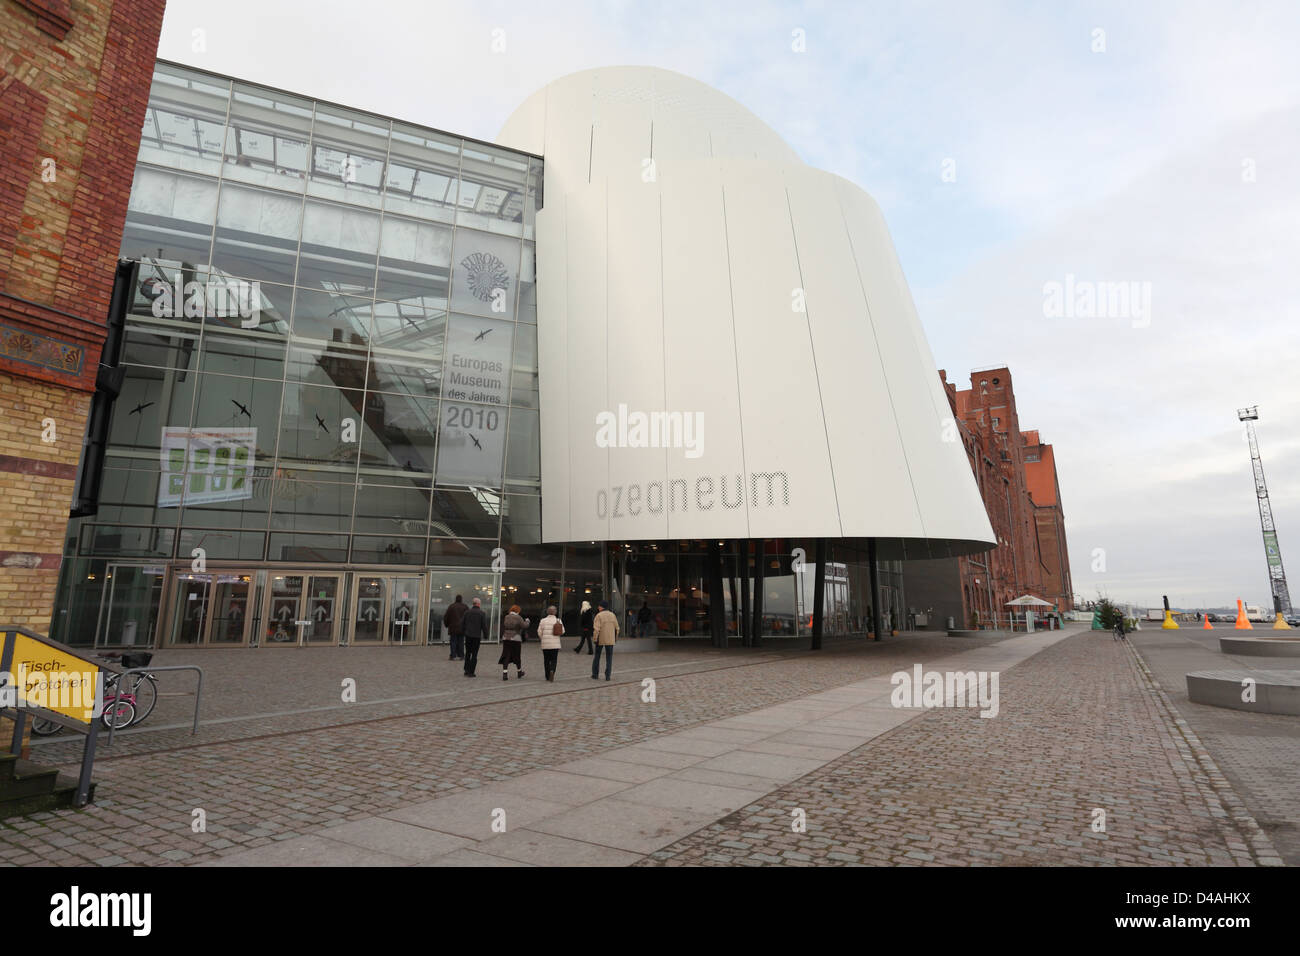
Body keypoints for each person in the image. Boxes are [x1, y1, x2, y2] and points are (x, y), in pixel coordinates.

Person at [591, 599, 619, 681]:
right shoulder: (612, 615)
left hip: (600, 639)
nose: (598, 607)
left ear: (601, 607)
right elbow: (617, 628)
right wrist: (615, 639)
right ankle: (608, 676)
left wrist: (595, 639)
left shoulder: (599, 615)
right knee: (609, 658)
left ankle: (595, 674)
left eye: (599, 606)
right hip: (610, 640)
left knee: (597, 656)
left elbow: (596, 629)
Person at [499, 604, 528, 680]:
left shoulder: (506, 617)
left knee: (506, 655)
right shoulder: (518, 617)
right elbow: (524, 626)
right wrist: (527, 622)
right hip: (515, 638)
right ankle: (519, 672)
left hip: (506, 637)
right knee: (517, 655)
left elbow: (505, 625)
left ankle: (505, 673)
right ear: (517, 611)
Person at [538, 605, 564, 681]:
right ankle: (552, 670)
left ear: (547, 612)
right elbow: (563, 631)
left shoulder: (543, 620)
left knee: (546, 660)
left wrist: (542, 639)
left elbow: (539, 632)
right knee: (554, 659)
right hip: (555, 644)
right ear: (555, 612)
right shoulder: (558, 620)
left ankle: (547, 675)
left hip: (545, 644)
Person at [462, 598, 487, 677]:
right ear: (478, 604)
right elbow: (484, 625)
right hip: (476, 636)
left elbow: (462, 623)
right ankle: (471, 671)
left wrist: (464, 632)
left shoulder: (467, 612)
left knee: (468, 653)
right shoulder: (482, 613)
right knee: (474, 654)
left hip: (468, 635)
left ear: (473, 604)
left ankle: (466, 669)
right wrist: (486, 635)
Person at [443, 594, 468, 660]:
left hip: (453, 627)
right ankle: (461, 655)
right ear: (461, 599)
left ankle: (453, 655)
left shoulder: (451, 606)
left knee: (453, 642)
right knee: (461, 642)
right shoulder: (465, 607)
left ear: (455, 599)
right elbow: (468, 617)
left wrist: (446, 624)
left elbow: (446, 617)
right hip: (462, 628)